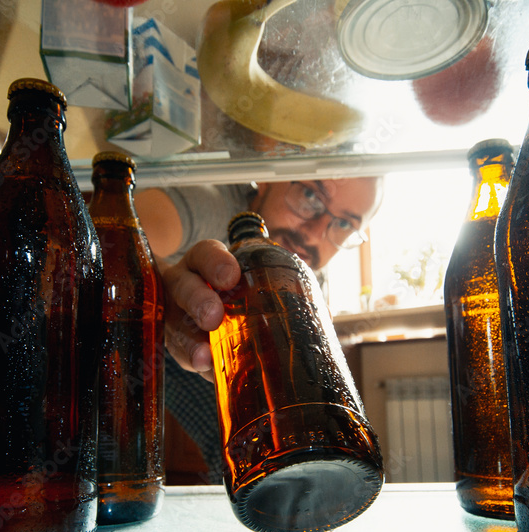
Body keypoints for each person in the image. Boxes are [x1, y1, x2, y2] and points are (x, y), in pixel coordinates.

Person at [135, 178, 384, 481]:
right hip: (146, 348)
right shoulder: (214, 200)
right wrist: (164, 287)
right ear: (266, 180)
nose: (315, 234)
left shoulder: (303, 276)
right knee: (239, 431)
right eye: (310, 195)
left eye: (344, 224)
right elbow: (115, 242)